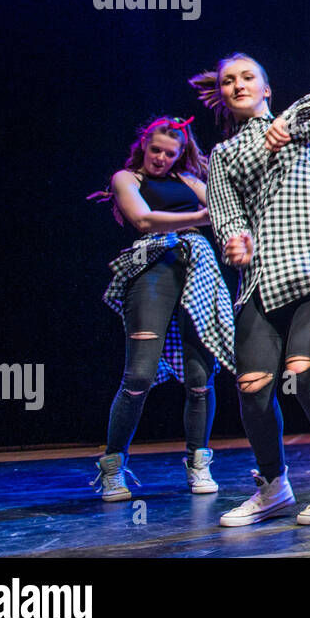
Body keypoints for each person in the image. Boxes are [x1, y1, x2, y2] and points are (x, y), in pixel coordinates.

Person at [191, 54, 310, 526]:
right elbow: (228, 215)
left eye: (248, 77)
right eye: (228, 81)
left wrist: (290, 118)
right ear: (223, 96)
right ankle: (274, 485)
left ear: (267, 89)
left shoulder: (304, 124)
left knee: (305, 371)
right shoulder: (223, 156)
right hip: (263, 277)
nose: (237, 85)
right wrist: (234, 240)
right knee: (252, 387)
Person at [90, 116, 235, 501]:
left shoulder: (189, 182)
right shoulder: (128, 178)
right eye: (156, 150)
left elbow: (230, 204)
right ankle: (112, 466)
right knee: (139, 374)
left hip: (199, 265)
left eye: (171, 153)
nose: (161, 158)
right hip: (154, 264)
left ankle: (198, 462)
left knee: (200, 376)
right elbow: (142, 219)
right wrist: (203, 218)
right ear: (144, 146)